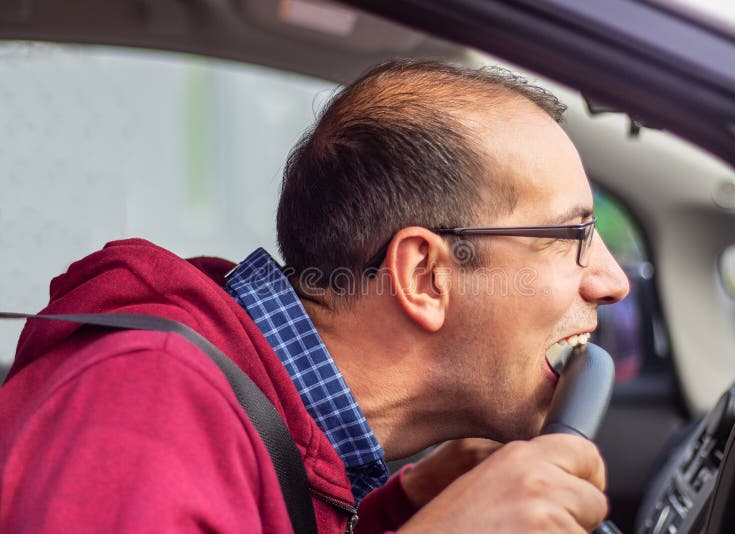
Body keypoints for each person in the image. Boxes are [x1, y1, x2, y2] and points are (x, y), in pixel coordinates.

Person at [0, 59, 628, 532]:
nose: (613, 281)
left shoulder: (294, 444)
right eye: (571, 235)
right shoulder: (144, 406)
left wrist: (398, 516)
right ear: (425, 277)